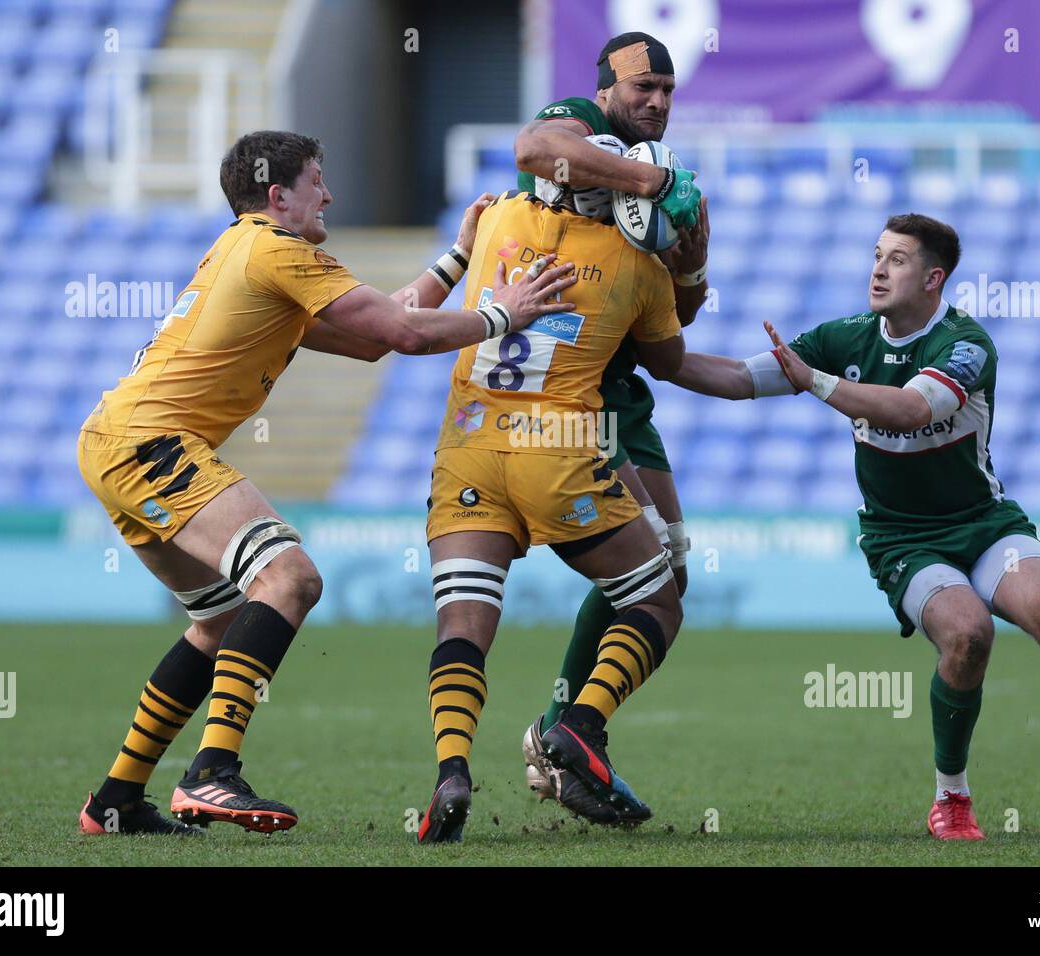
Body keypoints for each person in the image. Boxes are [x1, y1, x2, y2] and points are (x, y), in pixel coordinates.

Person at [75, 130, 576, 835]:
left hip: (117, 439)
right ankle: (212, 772)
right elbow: (404, 333)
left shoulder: (248, 251)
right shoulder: (278, 252)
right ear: (278, 194)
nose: (329, 194)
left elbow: (376, 335)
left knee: (220, 623)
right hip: (148, 443)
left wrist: (460, 257)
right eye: (317, 179)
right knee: (290, 579)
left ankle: (115, 800)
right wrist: (504, 313)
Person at [671, 213, 1040, 839]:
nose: (879, 269)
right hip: (902, 538)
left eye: (898, 260)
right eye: (877, 255)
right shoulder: (845, 337)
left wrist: (818, 384)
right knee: (967, 636)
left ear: (933, 278)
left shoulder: (967, 346)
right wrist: (653, 354)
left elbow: (914, 410)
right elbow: (740, 378)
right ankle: (952, 797)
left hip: (984, 523)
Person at [416, 188, 686, 842]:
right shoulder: (639, 266)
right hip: (556, 450)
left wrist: (459, 246)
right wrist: (684, 266)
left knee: (463, 624)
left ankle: (452, 770)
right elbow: (670, 361)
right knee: (658, 598)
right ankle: (580, 723)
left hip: (468, 445)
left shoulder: (497, 219)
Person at [512, 30, 709, 820]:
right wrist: (651, 179)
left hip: (624, 387)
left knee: (674, 571)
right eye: (642, 90)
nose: (656, 103)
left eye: (667, 92)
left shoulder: (662, 172)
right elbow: (534, 148)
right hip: (566, 382)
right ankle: (569, 733)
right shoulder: (573, 124)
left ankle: (566, 731)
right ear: (606, 91)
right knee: (644, 572)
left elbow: (680, 319)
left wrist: (694, 252)